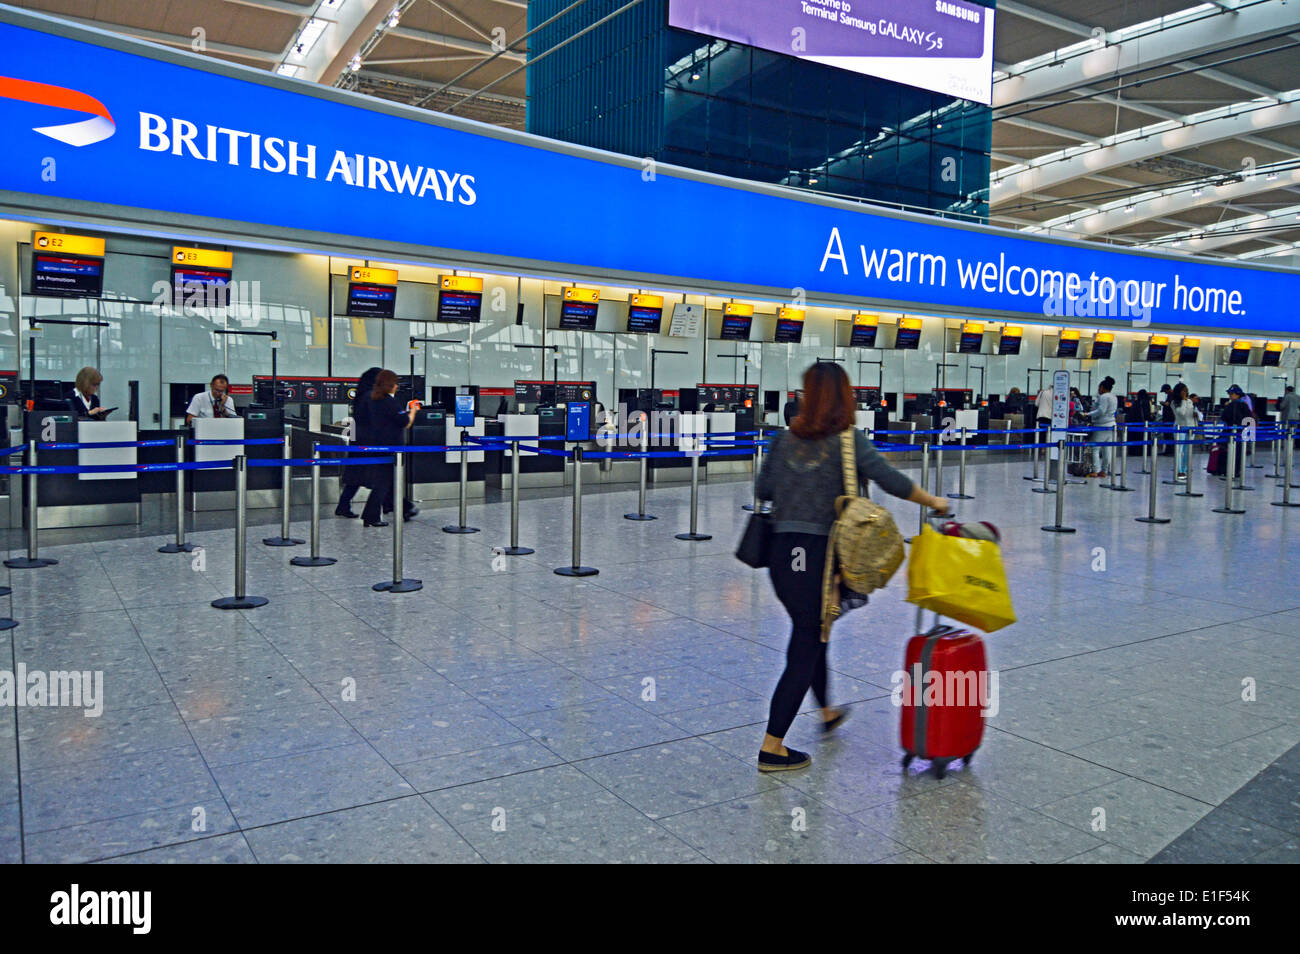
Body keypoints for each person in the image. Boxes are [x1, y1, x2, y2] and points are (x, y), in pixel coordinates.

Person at [753, 362, 949, 773]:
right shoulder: (847, 441)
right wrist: (933, 502)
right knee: (806, 642)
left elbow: (763, 489)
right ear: (844, 396)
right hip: (820, 560)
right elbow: (889, 479)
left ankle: (825, 712)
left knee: (812, 630)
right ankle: (773, 746)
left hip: (782, 555)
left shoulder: (783, 439)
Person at [360, 369, 418, 528]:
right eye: (396, 384)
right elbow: (406, 422)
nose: (397, 387)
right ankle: (371, 516)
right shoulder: (389, 402)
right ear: (391, 385)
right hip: (391, 447)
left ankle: (403, 508)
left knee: (388, 482)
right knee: (383, 483)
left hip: (376, 444)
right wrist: (413, 410)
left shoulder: (371, 398)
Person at [335, 367, 380, 519]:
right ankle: (379, 512)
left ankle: (343, 506)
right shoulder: (370, 396)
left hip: (359, 441)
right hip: (368, 443)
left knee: (355, 478)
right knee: (382, 480)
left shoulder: (361, 396)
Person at [1084, 376, 1118, 478]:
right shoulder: (1114, 396)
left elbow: (1101, 410)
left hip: (1101, 426)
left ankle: (1096, 470)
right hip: (1112, 425)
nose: (1098, 390)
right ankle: (1104, 470)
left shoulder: (1103, 397)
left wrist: (1088, 414)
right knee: (1106, 449)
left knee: (1095, 448)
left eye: (1099, 388)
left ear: (1102, 387)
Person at [1219, 385, 1252, 480]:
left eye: (1231, 394)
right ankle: (1236, 471)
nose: (1230, 396)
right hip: (1241, 432)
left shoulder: (1231, 405)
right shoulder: (1244, 405)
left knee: (1230, 452)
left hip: (1230, 432)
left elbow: (1224, 417)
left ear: (1237, 395)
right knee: (1238, 453)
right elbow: (1248, 419)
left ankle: (1229, 471)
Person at [1170, 382, 1197, 480]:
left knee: (1187, 450)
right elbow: (1181, 413)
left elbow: (1190, 414)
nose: (1185, 392)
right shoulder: (1174, 402)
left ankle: (1185, 469)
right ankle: (1179, 470)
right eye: (1183, 391)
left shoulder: (1190, 401)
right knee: (1179, 450)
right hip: (1179, 427)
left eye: (1186, 391)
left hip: (1190, 428)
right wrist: (1184, 401)